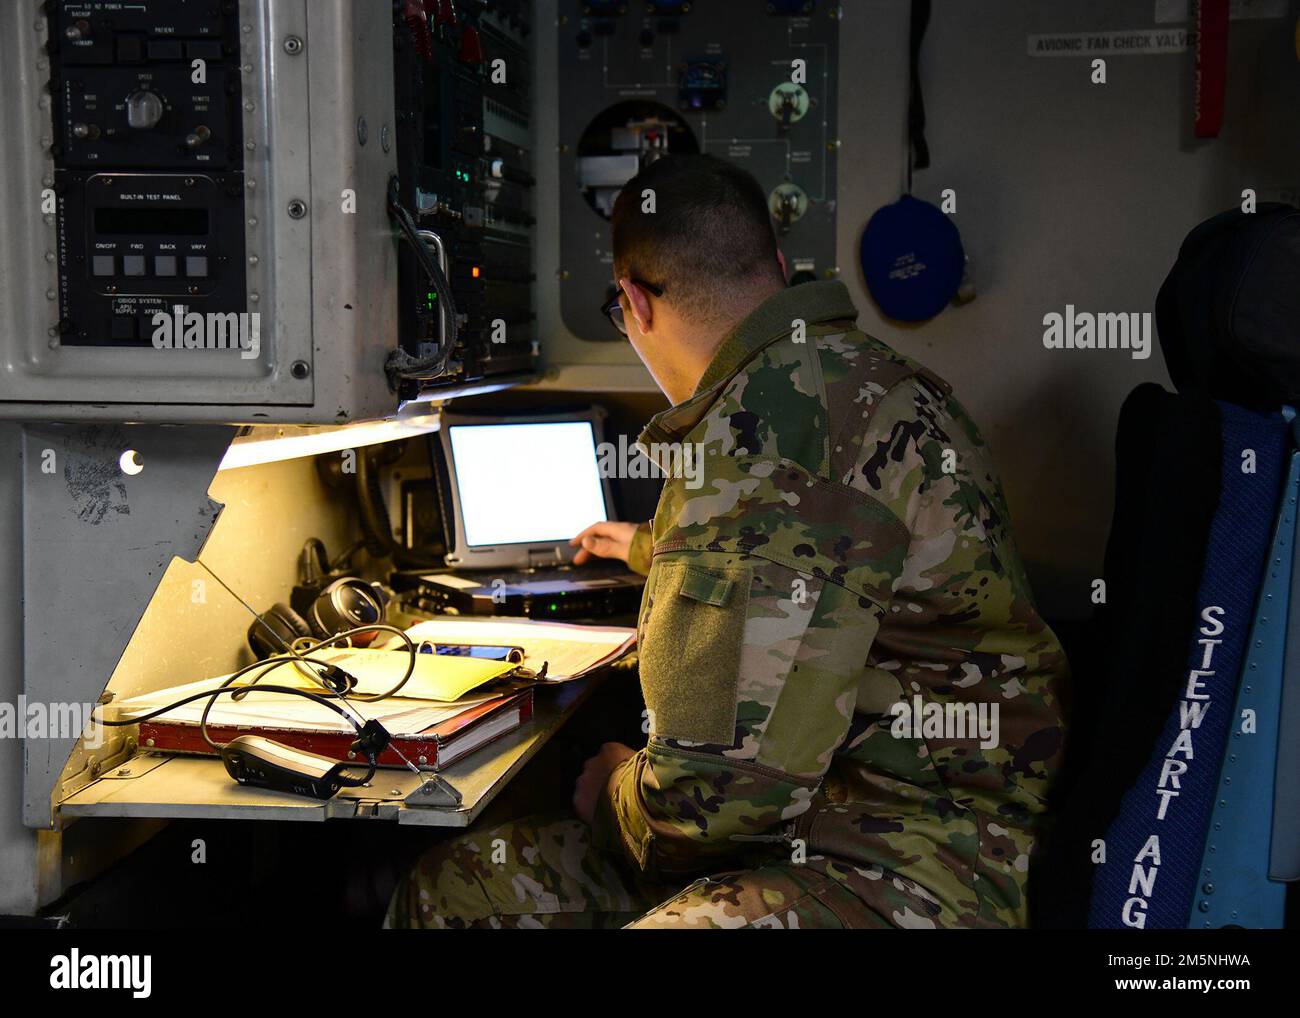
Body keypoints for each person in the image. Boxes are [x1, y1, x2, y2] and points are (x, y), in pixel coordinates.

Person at [386, 153, 1068, 929]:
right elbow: (827, 552)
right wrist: (653, 547)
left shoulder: (755, 440)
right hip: (925, 822)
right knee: (460, 887)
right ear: (777, 266)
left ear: (636, 304)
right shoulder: (867, 379)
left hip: (911, 870)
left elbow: (713, 803)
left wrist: (609, 792)